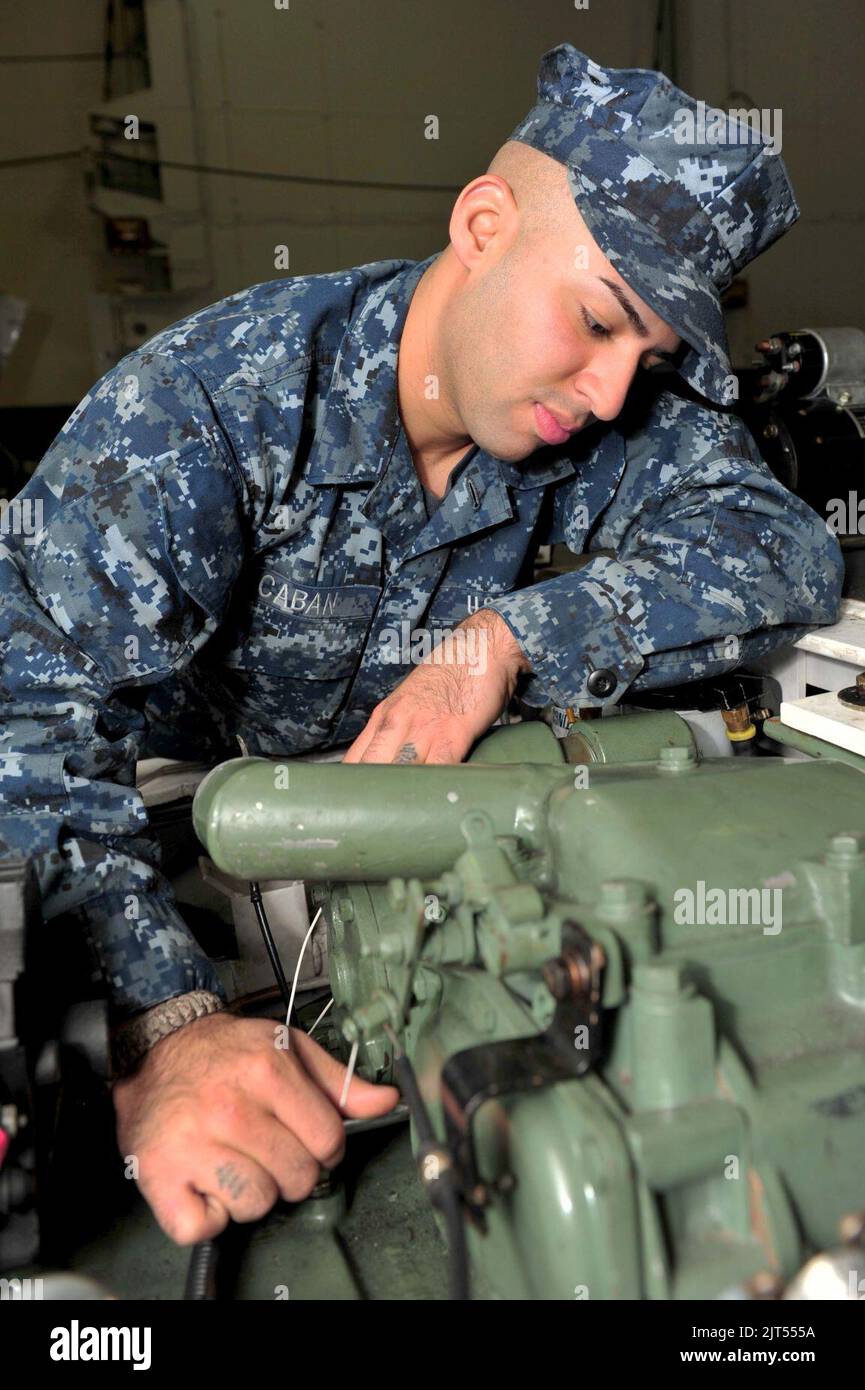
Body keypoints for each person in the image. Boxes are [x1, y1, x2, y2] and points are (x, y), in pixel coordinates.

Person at [0, 44, 843, 1244]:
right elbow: (28, 716)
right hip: (161, 825)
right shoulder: (206, 405)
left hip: (389, 822)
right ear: (485, 222)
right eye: (598, 320)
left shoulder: (598, 413)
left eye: (646, 358)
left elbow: (785, 552)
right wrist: (164, 1028)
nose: (609, 395)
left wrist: (506, 636)